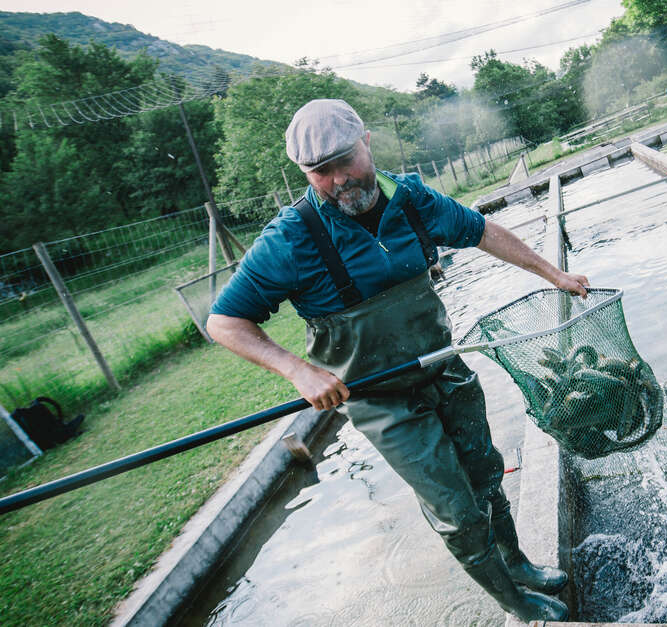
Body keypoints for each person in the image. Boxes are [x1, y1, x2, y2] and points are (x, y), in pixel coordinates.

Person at [206, 99, 588, 622]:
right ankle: (516, 604)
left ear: (366, 140)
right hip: (382, 400)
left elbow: (480, 231)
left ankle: (517, 564)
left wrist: (554, 274)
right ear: (303, 172)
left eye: (346, 160)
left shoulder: (408, 197)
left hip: (445, 369)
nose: (340, 179)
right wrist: (298, 369)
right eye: (322, 172)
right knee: (456, 510)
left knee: (487, 475)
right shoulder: (290, 239)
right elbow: (225, 323)